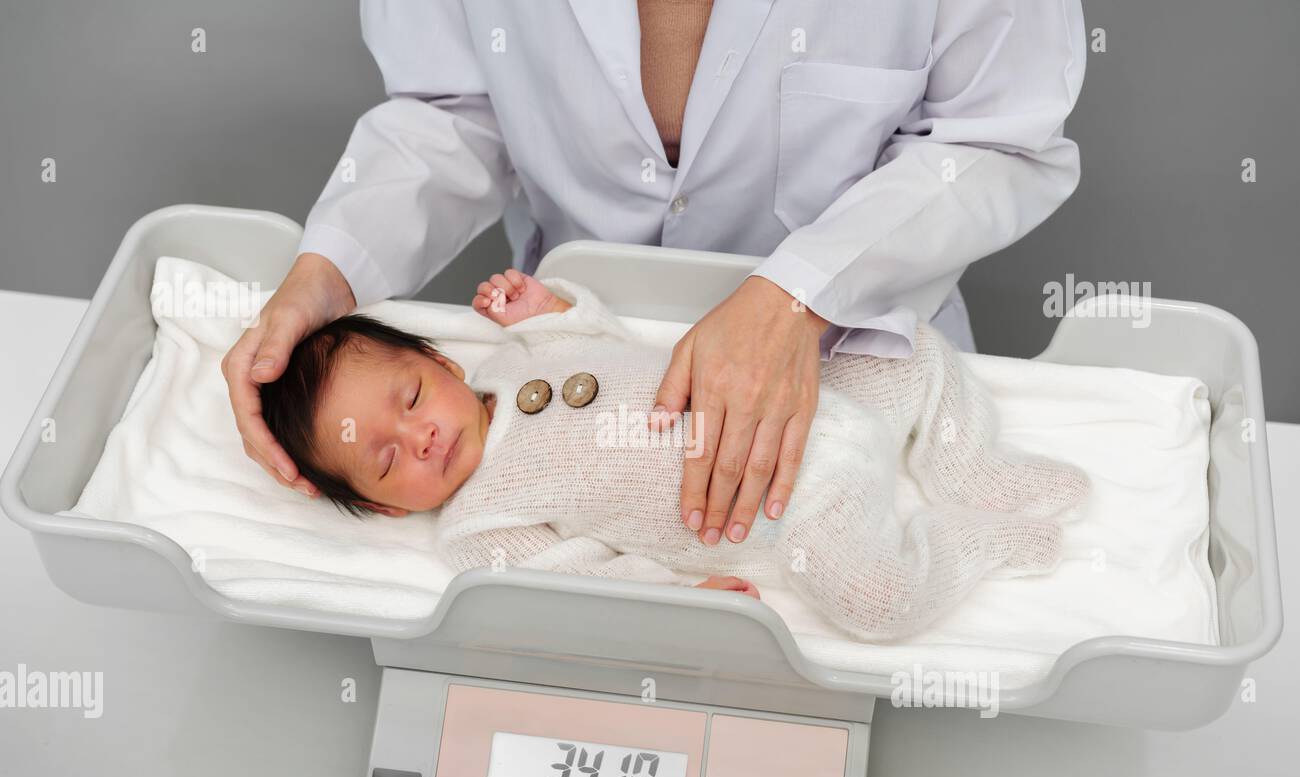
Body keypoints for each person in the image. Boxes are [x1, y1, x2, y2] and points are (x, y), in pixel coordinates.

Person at [224, 0, 1086, 552]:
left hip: (862, 333)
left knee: (918, 446)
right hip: (606, 330)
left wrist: (802, 297)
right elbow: (451, 109)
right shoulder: (500, 481)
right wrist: (330, 272)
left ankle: (991, 521)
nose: (416, 436)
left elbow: (999, 136)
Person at [257, 269, 1088, 639]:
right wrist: (680, 594)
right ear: (383, 507)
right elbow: (579, 577)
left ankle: (970, 467)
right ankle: (969, 543)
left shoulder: (517, 362)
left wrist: (551, 308)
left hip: (813, 401)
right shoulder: (478, 522)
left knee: (909, 349)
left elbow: (606, 343)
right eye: (387, 462)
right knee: (875, 599)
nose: (421, 437)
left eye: (408, 401)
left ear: (439, 363)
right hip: (789, 510)